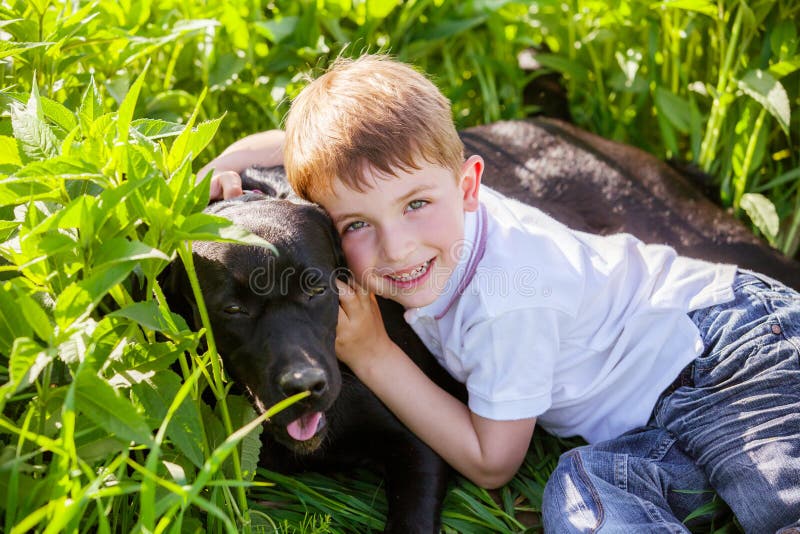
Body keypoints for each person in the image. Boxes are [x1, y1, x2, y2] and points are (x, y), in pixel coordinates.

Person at [200, 54, 800, 533]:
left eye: (414, 206)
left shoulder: (510, 296)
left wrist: (374, 353)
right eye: (357, 223)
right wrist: (216, 169)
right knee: (583, 503)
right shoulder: (428, 186)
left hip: (725, 353)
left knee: (781, 500)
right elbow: (289, 149)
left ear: (468, 184)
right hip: (645, 418)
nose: (399, 249)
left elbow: (494, 463)